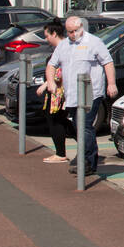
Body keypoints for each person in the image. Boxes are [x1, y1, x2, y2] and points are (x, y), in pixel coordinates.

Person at [46, 16, 118, 177]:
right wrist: (50, 82)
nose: (72, 35)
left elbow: (107, 62)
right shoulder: (64, 46)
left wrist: (111, 83)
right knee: (80, 126)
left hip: (91, 93)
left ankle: (88, 162)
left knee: (84, 126)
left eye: (74, 31)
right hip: (72, 94)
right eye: (69, 32)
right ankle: (88, 156)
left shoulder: (94, 42)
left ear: (81, 28)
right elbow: (52, 64)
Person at [34, 21, 73, 165]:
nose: (46, 39)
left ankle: (60, 153)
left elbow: (61, 71)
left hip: (59, 92)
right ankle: (81, 147)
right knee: (62, 121)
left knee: (56, 120)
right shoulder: (62, 47)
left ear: (54, 34)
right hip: (57, 91)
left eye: (46, 36)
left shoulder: (64, 48)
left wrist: (45, 85)